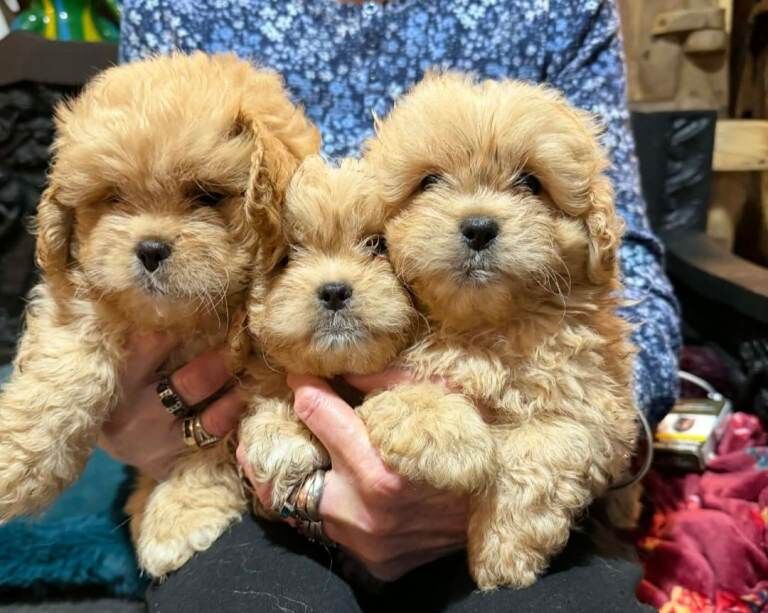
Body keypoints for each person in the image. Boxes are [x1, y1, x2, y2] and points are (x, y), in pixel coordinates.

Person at [102, 1, 680, 610]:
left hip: (517, 478)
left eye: (529, 185)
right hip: (248, 428)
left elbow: (630, 260)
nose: (478, 217)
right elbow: (128, 203)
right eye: (429, 186)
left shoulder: (562, 8)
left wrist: (599, 439)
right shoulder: (179, 10)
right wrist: (153, 427)